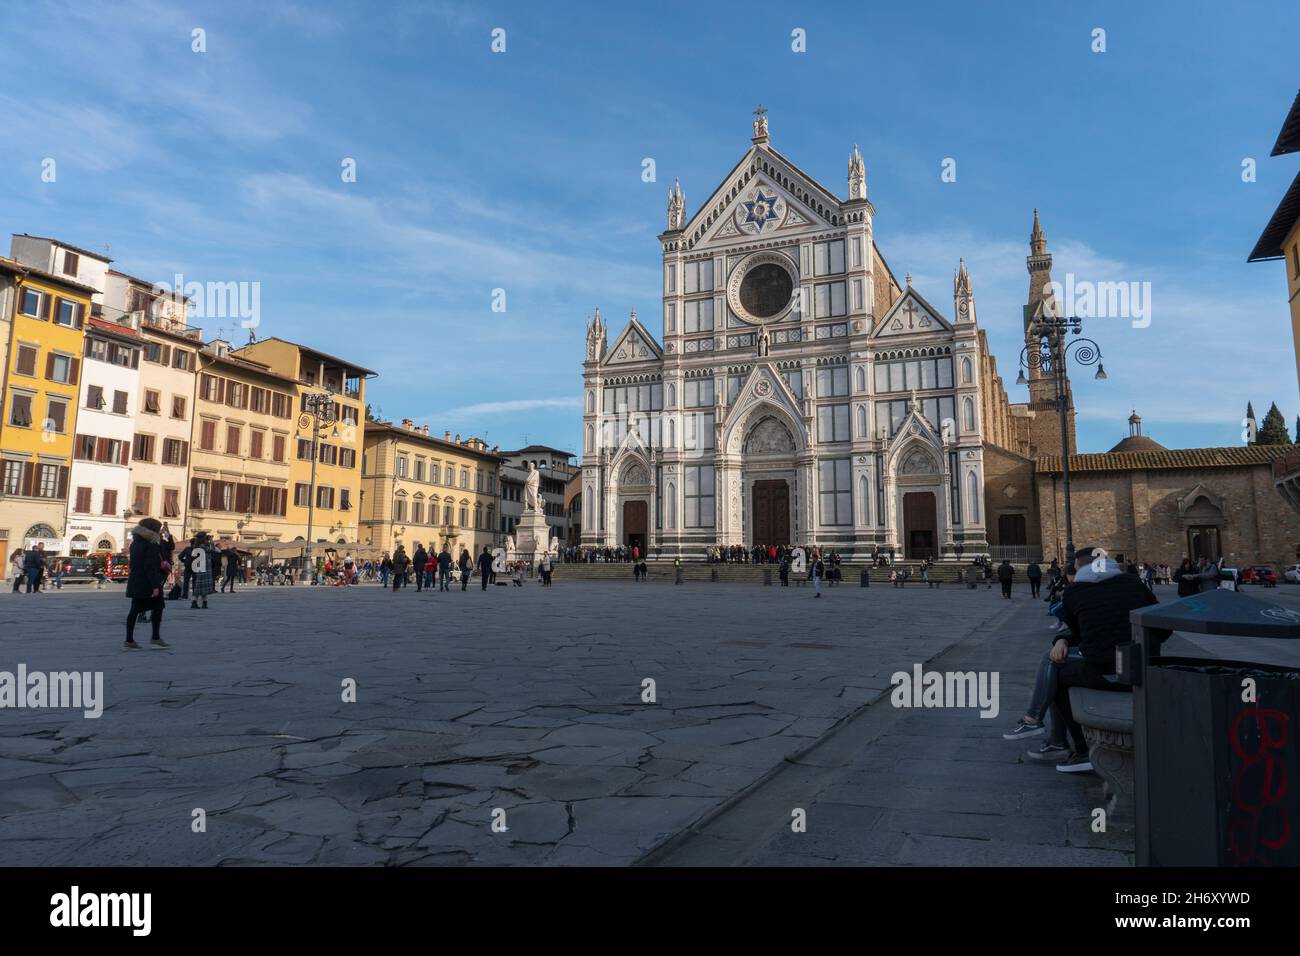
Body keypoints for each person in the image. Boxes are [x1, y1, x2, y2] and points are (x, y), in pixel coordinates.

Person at [1028, 547, 1158, 772]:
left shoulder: (1076, 592)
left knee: (1056, 672)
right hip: (1143, 668)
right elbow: (1159, 625)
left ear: (1081, 568)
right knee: (1059, 668)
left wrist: (1062, 640)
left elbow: (1079, 634)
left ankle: (1079, 749)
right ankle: (1051, 736)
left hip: (1105, 672)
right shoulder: (1134, 584)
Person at [124, 518, 169, 649]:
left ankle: (129, 640)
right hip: (148, 582)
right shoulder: (151, 545)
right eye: (158, 529)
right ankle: (155, 637)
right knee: (158, 607)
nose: (160, 531)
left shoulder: (135, 543)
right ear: (152, 530)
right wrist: (155, 586)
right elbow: (150, 566)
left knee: (134, 610)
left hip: (136, 580)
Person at [189, 534, 214, 609]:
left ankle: (203, 603)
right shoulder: (202, 547)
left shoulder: (197, 546)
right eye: (206, 538)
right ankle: (197, 602)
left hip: (201, 567)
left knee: (202, 587)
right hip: (204, 568)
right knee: (201, 586)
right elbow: (213, 550)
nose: (207, 540)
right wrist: (211, 541)